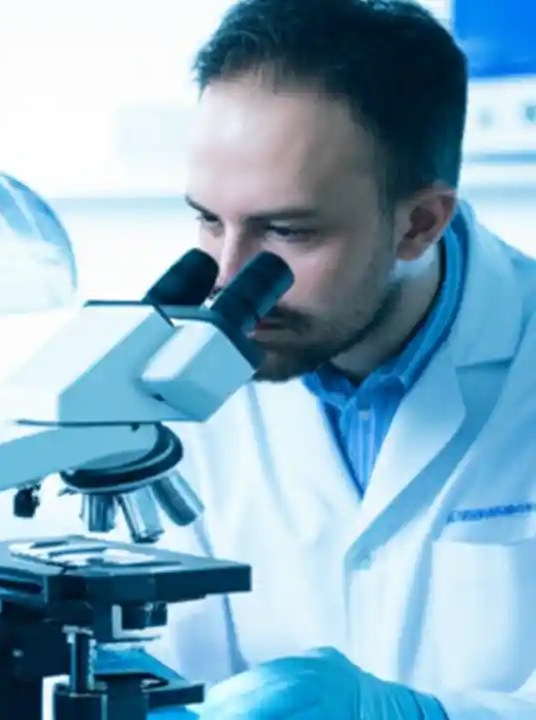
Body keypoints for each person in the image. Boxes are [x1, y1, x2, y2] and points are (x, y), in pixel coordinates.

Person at [152, 0, 536, 717]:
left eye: (287, 230)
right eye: (208, 219)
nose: (229, 281)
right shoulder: (190, 374)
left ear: (420, 223)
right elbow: (174, 660)